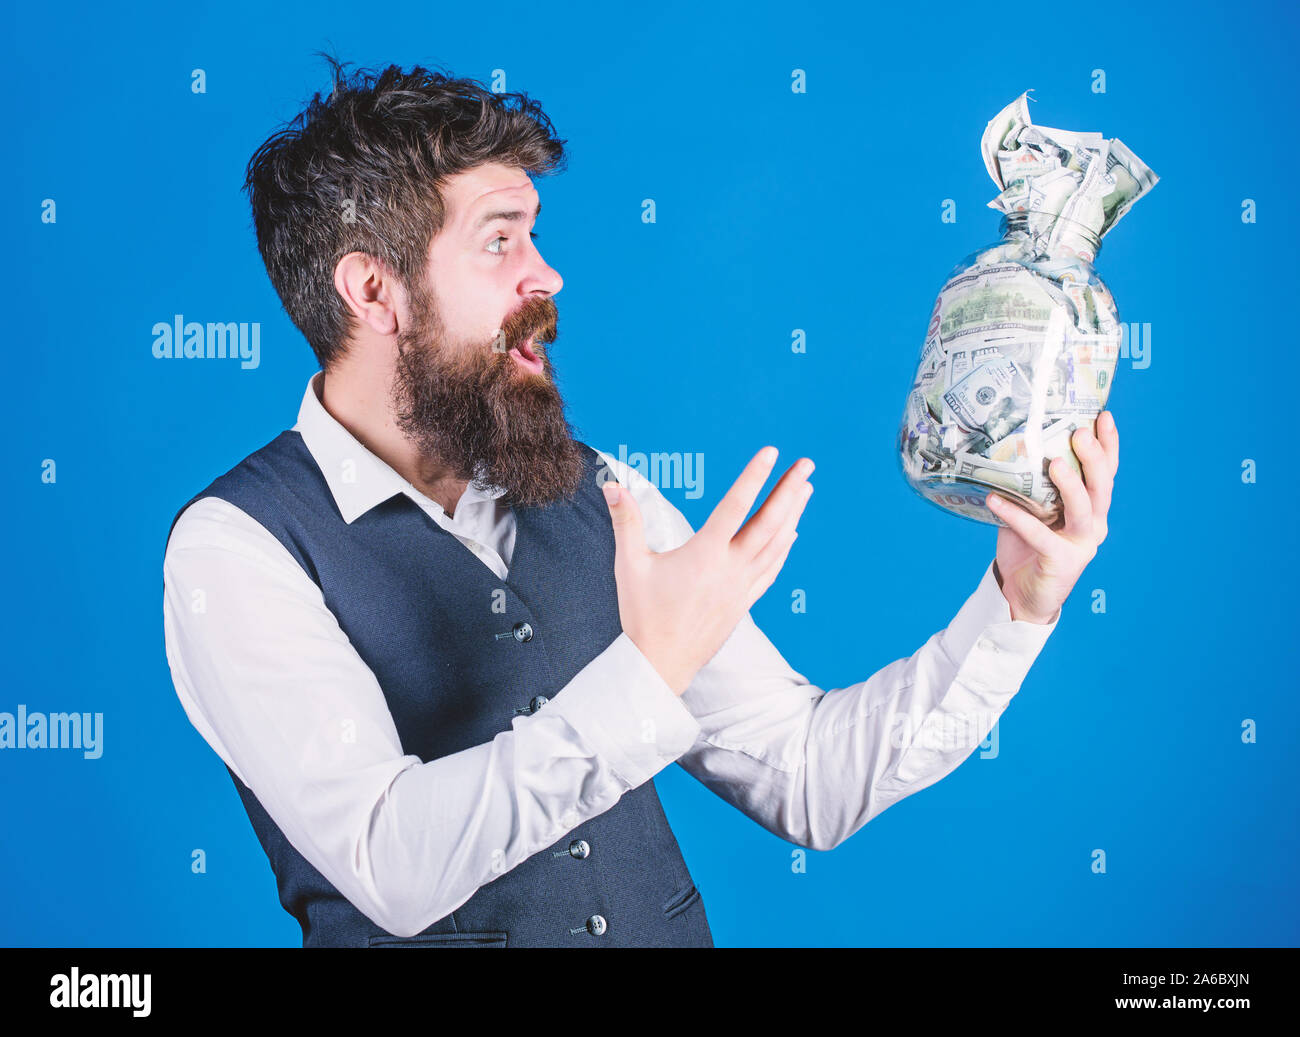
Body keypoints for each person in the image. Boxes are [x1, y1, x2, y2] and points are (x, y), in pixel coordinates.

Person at [161, 58, 1119, 948]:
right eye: (499, 241)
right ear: (375, 290)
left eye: (533, 234)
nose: (546, 275)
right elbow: (391, 861)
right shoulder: (235, 550)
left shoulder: (600, 489)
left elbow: (813, 780)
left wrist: (1016, 604)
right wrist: (650, 671)